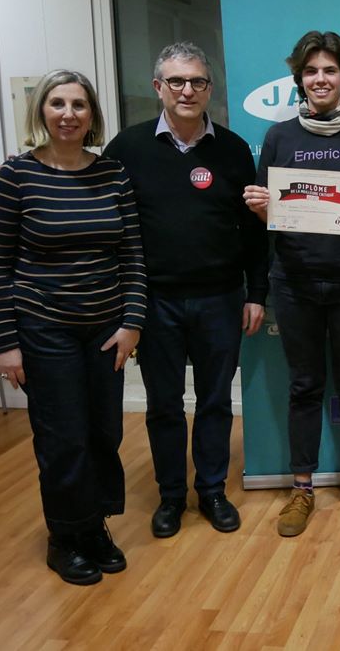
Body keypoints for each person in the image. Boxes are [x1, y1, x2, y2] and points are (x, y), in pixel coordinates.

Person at [0, 70, 146, 585]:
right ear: (42, 113)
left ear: (92, 114)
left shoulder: (112, 174)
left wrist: (132, 323)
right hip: (43, 330)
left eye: (79, 104)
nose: (68, 113)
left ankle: (94, 526)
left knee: (103, 432)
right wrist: (7, 343)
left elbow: (133, 255)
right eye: (57, 103)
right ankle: (64, 537)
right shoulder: (16, 177)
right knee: (62, 437)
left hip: (105, 330)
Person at [104, 42, 268, 538]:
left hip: (221, 297)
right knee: (164, 405)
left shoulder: (234, 150)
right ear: (158, 88)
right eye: (176, 81)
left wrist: (255, 291)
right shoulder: (128, 148)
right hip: (154, 301)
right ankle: (172, 496)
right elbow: (97, 206)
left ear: (210, 90)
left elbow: (255, 229)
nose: (187, 90)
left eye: (197, 81)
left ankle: (212, 492)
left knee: (216, 400)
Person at [242, 31, 340, 537]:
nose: (320, 79)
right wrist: (262, 211)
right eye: (311, 71)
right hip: (295, 280)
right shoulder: (279, 137)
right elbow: (270, 218)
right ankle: (301, 488)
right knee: (304, 387)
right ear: (299, 79)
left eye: (329, 70)